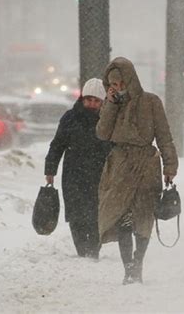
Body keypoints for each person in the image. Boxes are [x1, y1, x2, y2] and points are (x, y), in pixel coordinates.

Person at [96, 57, 178, 285]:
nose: (118, 88)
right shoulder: (111, 105)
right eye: (113, 84)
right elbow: (102, 133)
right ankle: (128, 268)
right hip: (120, 166)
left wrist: (170, 166)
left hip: (146, 165)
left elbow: (164, 136)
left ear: (129, 79)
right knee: (122, 216)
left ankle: (138, 262)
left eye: (121, 82)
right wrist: (111, 105)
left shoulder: (151, 102)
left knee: (143, 217)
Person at [44, 78, 112, 259]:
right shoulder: (70, 118)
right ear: (82, 98)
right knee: (76, 214)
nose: (92, 104)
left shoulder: (108, 120)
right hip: (74, 174)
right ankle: (82, 251)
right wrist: (50, 169)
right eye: (89, 99)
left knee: (96, 214)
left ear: (102, 102)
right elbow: (57, 144)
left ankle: (93, 251)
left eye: (96, 101)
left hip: (100, 175)